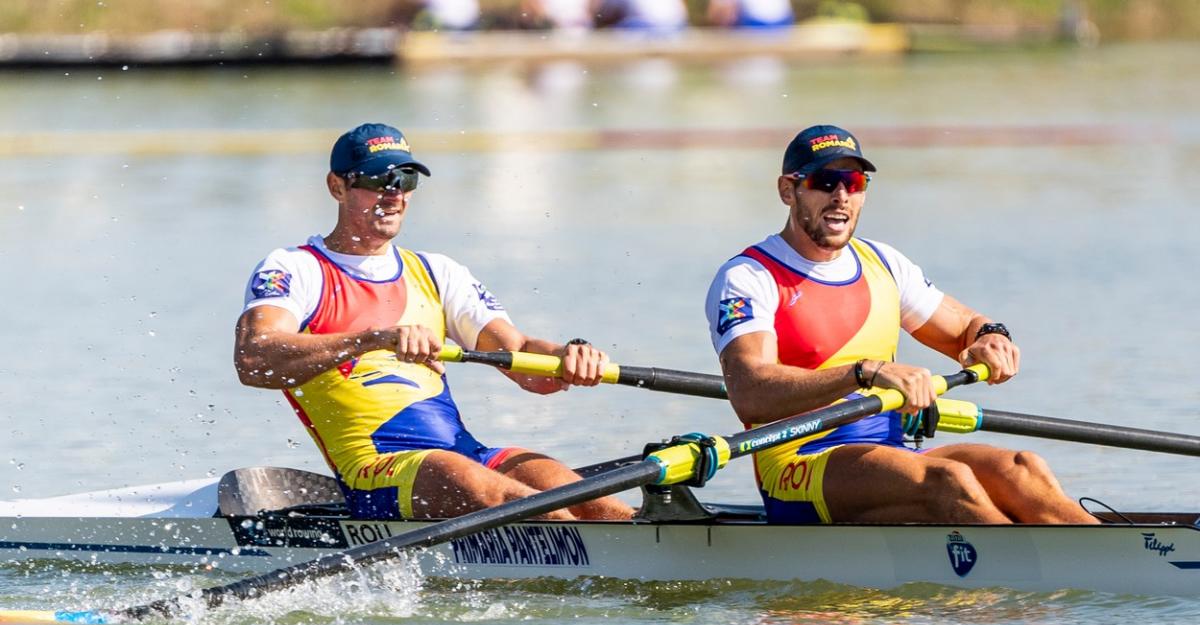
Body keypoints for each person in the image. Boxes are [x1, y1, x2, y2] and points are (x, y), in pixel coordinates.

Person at [235, 123, 633, 522]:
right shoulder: (295, 267)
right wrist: (373, 340)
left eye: (405, 180)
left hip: (468, 458)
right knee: (527, 505)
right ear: (337, 187)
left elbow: (523, 360)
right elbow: (254, 359)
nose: (393, 194)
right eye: (376, 180)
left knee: (602, 508)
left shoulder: (437, 271)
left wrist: (570, 356)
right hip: (376, 472)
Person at [704, 124, 1099, 525]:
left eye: (854, 182)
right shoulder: (749, 276)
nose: (841, 196)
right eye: (824, 181)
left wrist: (989, 336)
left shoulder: (883, 263)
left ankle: (1099, 553)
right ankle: (1025, 565)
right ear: (788, 191)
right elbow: (750, 393)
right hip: (797, 462)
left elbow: (964, 327)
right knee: (949, 481)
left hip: (890, 452)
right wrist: (865, 372)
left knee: (1023, 469)